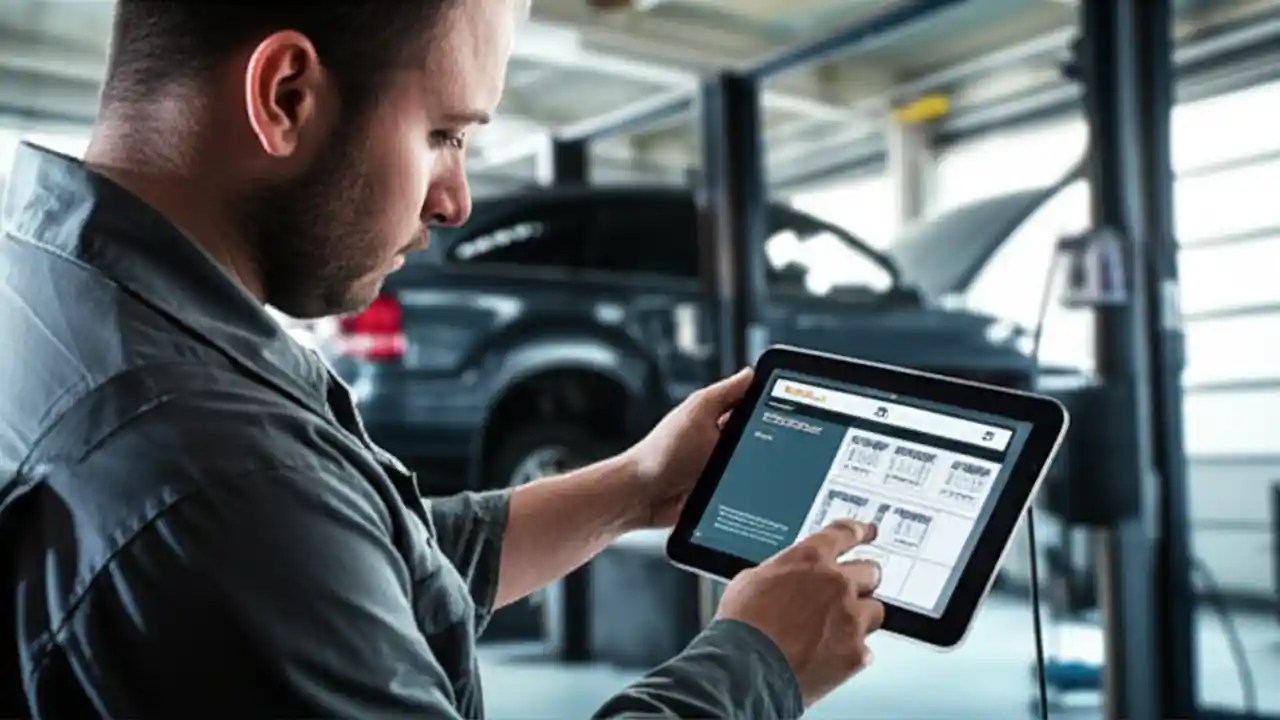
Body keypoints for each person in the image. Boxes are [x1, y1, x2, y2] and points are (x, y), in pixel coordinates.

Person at [0, 1, 885, 717]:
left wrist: (636, 485)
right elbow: (282, 538)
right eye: (445, 134)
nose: (456, 201)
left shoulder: (57, 285)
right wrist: (757, 664)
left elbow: (357, 569)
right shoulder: (221, 476)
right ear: (286, 95)